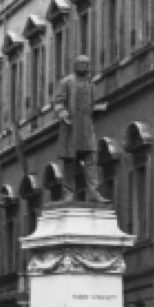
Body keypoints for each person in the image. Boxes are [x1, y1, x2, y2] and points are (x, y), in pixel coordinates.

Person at [54, 54, 101, 199]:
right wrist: (63, 114)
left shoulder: (90, 83)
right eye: (82, 63)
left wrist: (97, 109)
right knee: (70, 161)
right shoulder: (66, 82)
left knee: (91, 157)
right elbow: (58, 102)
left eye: (87, 64)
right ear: (75, 66)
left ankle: (93, 191)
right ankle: (68, 191)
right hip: (71, 127)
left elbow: (93, 102)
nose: (85, 66)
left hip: (86, 126)